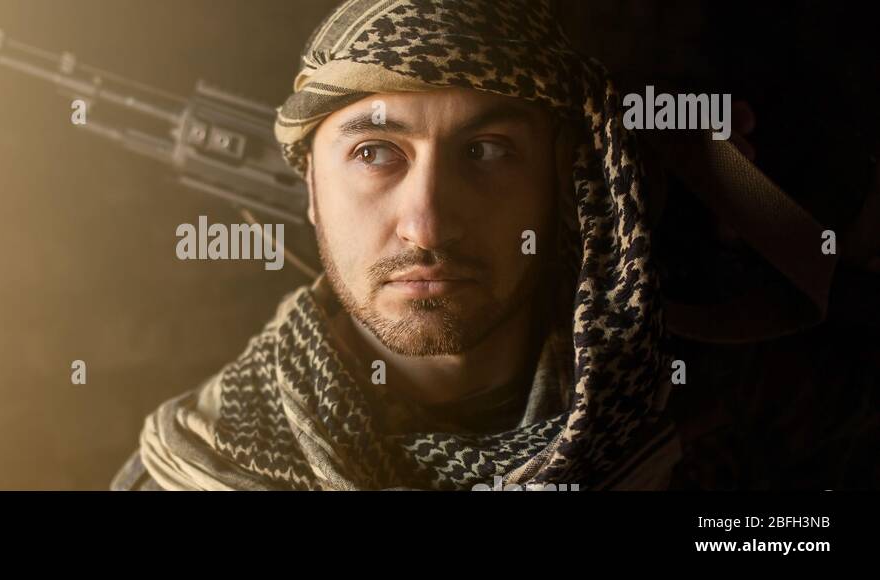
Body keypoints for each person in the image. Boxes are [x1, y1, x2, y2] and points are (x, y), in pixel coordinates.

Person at [112, 0, 686, 491]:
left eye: (486, 151)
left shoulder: (695, 421)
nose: (428, 226)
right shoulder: (188, 471)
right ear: (312, 187)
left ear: (561, 177)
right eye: (375, 153)